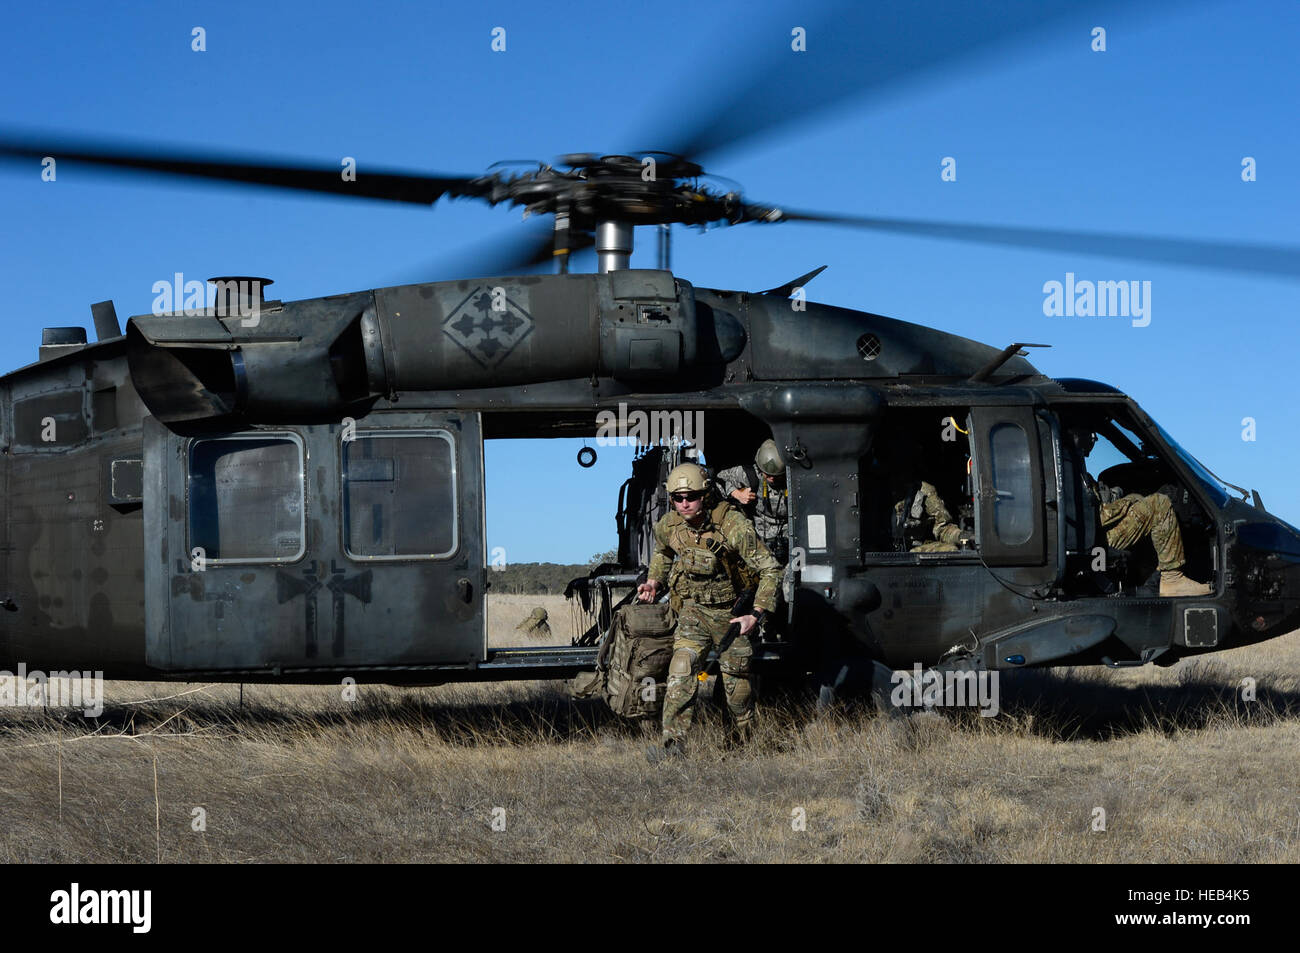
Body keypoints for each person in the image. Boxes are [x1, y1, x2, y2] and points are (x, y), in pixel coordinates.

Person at [637, 462, 782, 756]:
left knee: (736, 684)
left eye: (691, 496)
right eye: (677, 498)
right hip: (694, 611)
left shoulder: (732, 524)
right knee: (681, 669)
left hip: (732, 614)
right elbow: (663, 552)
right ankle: (672, 746)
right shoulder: (669, 524)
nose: (684, 503)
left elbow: (771, 570)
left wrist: (755, 614)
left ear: (705, 494)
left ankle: (745, 744)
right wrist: (654, 581)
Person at [1069, 429, 1211, 597]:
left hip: (1092, 536)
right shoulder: (1071, 472)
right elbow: (1096, 516)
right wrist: (1131, 499)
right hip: (1097, 538)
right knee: (1159, 503)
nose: (1094, 438)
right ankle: (1172, 579)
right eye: (1086, 433)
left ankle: (1146, 581)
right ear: (1072, 435)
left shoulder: (1073, 467)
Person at [714, 439, 790, 564]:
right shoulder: (750, 475)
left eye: (777, 476)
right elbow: (717, 481)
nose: (771, 479)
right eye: (768, 474)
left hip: (790, 534)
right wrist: (736, 493)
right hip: (757, 536)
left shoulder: (796, 479)